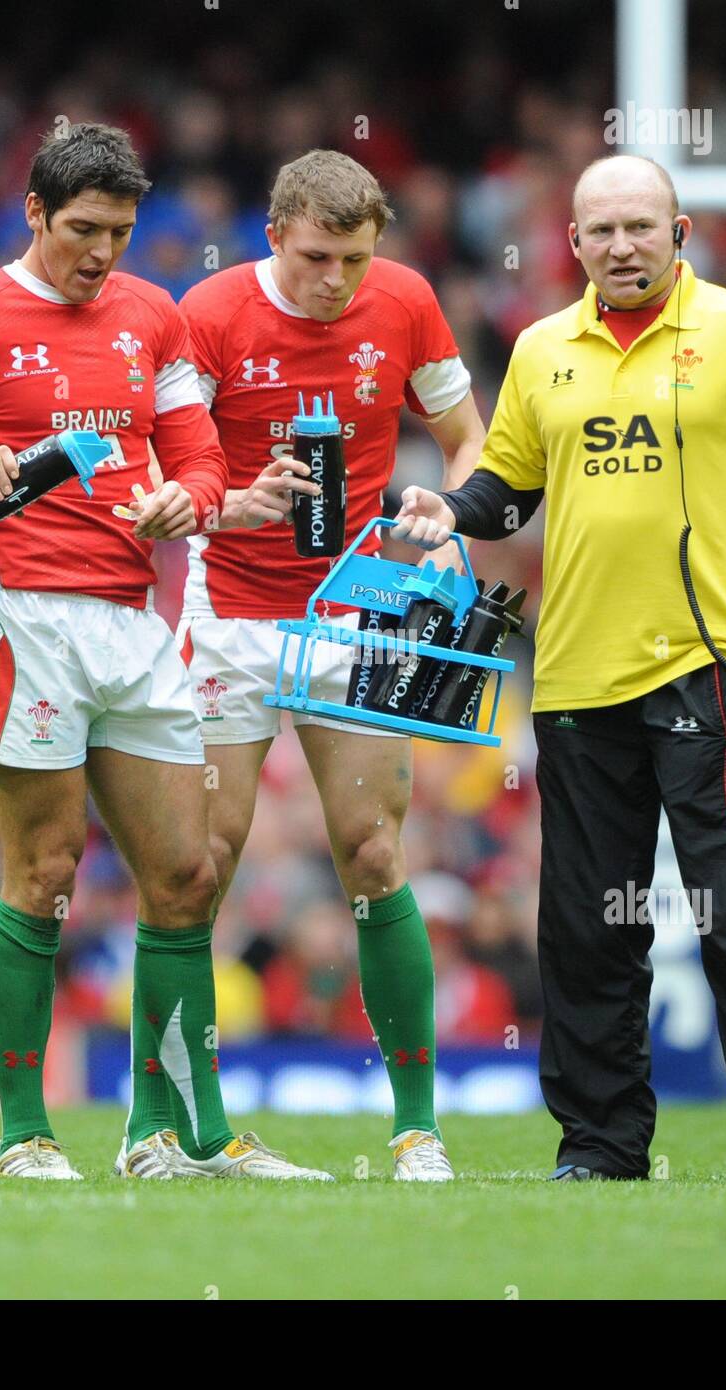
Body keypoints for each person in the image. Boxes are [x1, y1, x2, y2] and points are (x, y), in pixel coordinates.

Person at [0, 122, 331, 1182]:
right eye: (81, 230)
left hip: (129, 617)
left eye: (118, 230)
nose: (101, 251)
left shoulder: (149, 315)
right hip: (19, 612)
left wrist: (184, 499)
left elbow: (201, 459)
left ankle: (180, 1138)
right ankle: (23, 1133)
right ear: (33, 213)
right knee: (47, 871)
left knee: (186, 872)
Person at [392, 153, 726, 1182]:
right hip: (572, 681)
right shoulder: (538, 350)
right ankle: (601, 1148)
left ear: (679, 232)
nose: (619, 246)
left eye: (638, 228)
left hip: (706, 667)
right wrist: (450, 510)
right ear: (570, 243)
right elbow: (508, 491)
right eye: (599, 231)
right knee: (583, 928)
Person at [169, 149, 485, 1179]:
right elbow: (163, 460)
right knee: (196, 871)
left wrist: (452, 517)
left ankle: (416, 1128)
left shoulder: (405, 302)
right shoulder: (209, 313)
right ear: (275, 236)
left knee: (375, 854)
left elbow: (465, 435)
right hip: (225, 614)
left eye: (354, 258)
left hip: (352, 613)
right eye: (316, 257)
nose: (336, 280)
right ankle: (177, 1132)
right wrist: (226, 495)